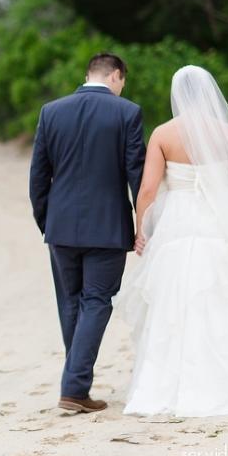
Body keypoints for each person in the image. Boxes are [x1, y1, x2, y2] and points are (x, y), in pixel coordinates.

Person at [112, 65, 228, 417]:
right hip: (220, 219)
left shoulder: (163, 134)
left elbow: (149, 189)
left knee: (177, 298)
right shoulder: (225, 132)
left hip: (179, 223)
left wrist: (143, 231)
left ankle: (176, 381)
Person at [29, 52, 146, 413]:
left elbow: (38, 177)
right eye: (122, 81)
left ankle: (75, 384)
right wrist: (144, 226)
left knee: (71, 302)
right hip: (108, 228)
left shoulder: (52, 111)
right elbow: (137, 176)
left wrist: (47, 223)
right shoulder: (127, 112)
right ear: (115, 75)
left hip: (60, 227)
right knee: (96, 302)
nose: (121, 87)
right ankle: (75, 388)